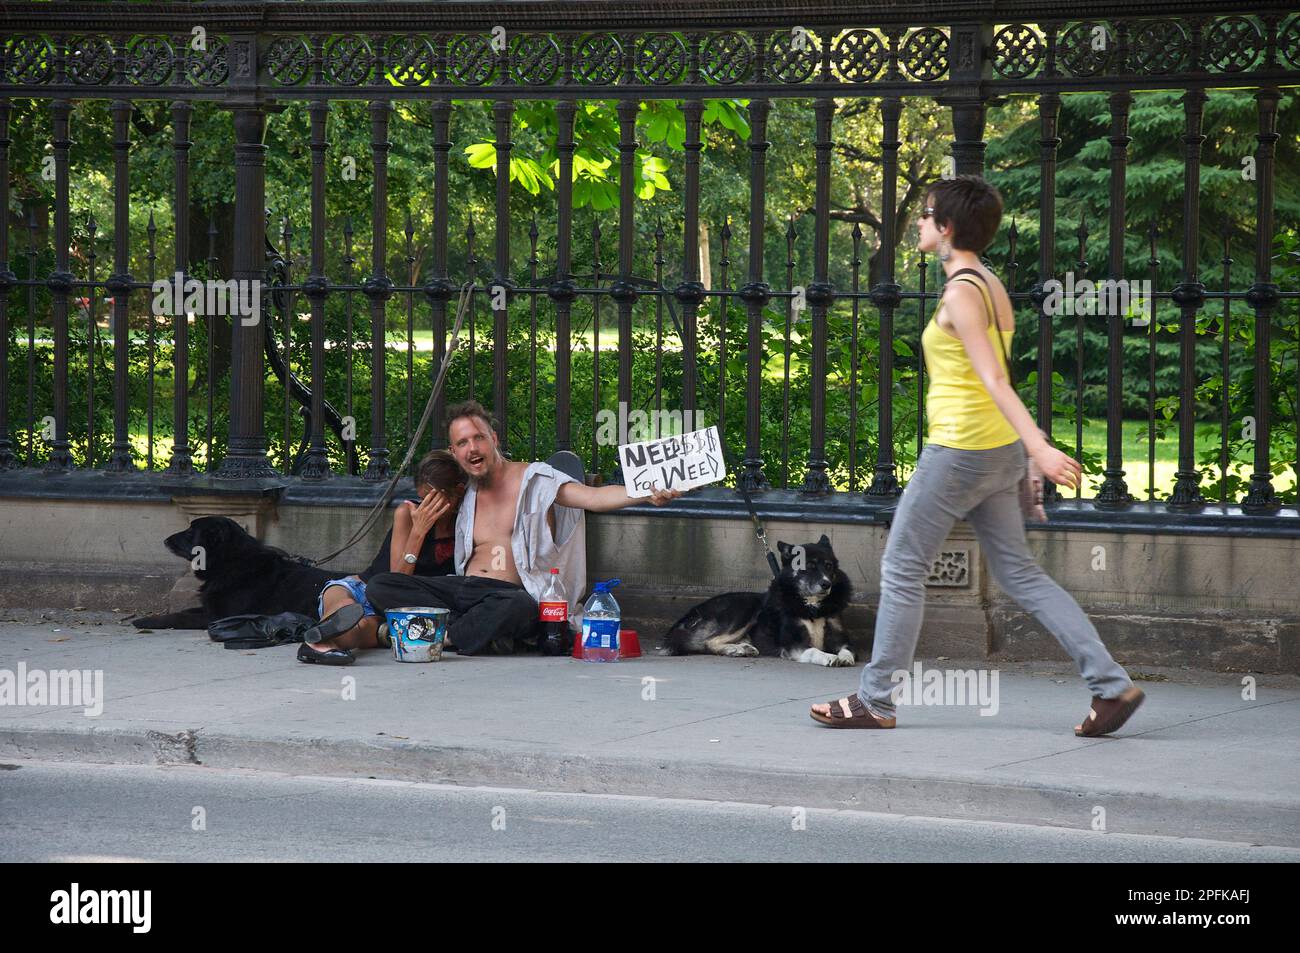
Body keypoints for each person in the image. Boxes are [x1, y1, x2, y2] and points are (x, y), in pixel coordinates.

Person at [811, 174, 1144, 737]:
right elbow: (1000, 373)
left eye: (925, 214)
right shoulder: (989, 283)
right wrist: (1019, 453)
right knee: (1020, 573)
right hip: (995, 452)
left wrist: (1036, 447)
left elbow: (992, 377)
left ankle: (875, 699)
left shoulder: (963, 291)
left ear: (945, 228)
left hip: (960, 450)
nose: (918, 222)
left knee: (901, 567)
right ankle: (1111, 687)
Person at [365, 399, 684, 656]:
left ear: (494, 440)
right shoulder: (467, 493)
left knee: (516, 607)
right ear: (455, 453)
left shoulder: (537, 479)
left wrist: (646, 492)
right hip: (464, 590)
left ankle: (443, 637)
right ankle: (482, 634)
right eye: (463, 443)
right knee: (381, 586)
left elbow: (593, 497)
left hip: (512, 596)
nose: (472, 448)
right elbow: (430, 493)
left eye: (479, 438)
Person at [298, 450, 465, 665]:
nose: (425, 508)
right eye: (423, 499)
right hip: (360, 586)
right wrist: (418, 532)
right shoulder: (407, 513)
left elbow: (395, 593)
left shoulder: (464, 525)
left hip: (390, 610)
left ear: (456, 494)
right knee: (344, 604)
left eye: (434, 500)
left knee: (365, 628)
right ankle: (327, 632)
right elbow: (395, 580)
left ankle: (319, 644)